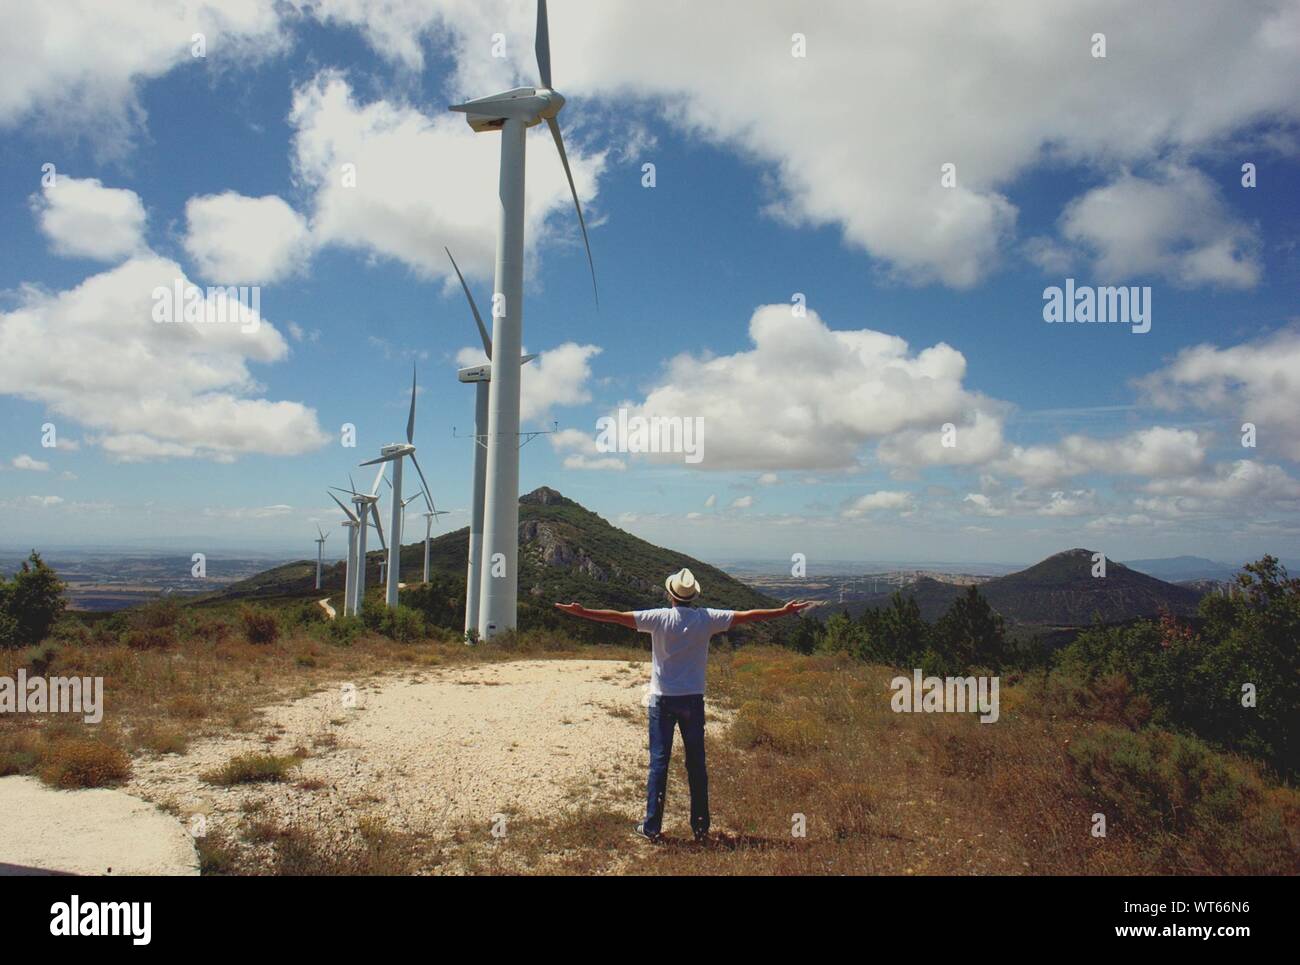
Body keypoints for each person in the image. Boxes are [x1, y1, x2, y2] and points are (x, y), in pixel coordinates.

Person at [555, 567, 810, 843]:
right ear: (692, 596)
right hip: (693, 699)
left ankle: (651, 827)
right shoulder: (707, 619)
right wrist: (783, 611)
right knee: (696, 765)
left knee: (659, 764)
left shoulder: (658, 618)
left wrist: (582, 612)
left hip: (662, 700)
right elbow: (748, 616)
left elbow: (617, 618)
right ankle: (700, 828)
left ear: (670, 594)